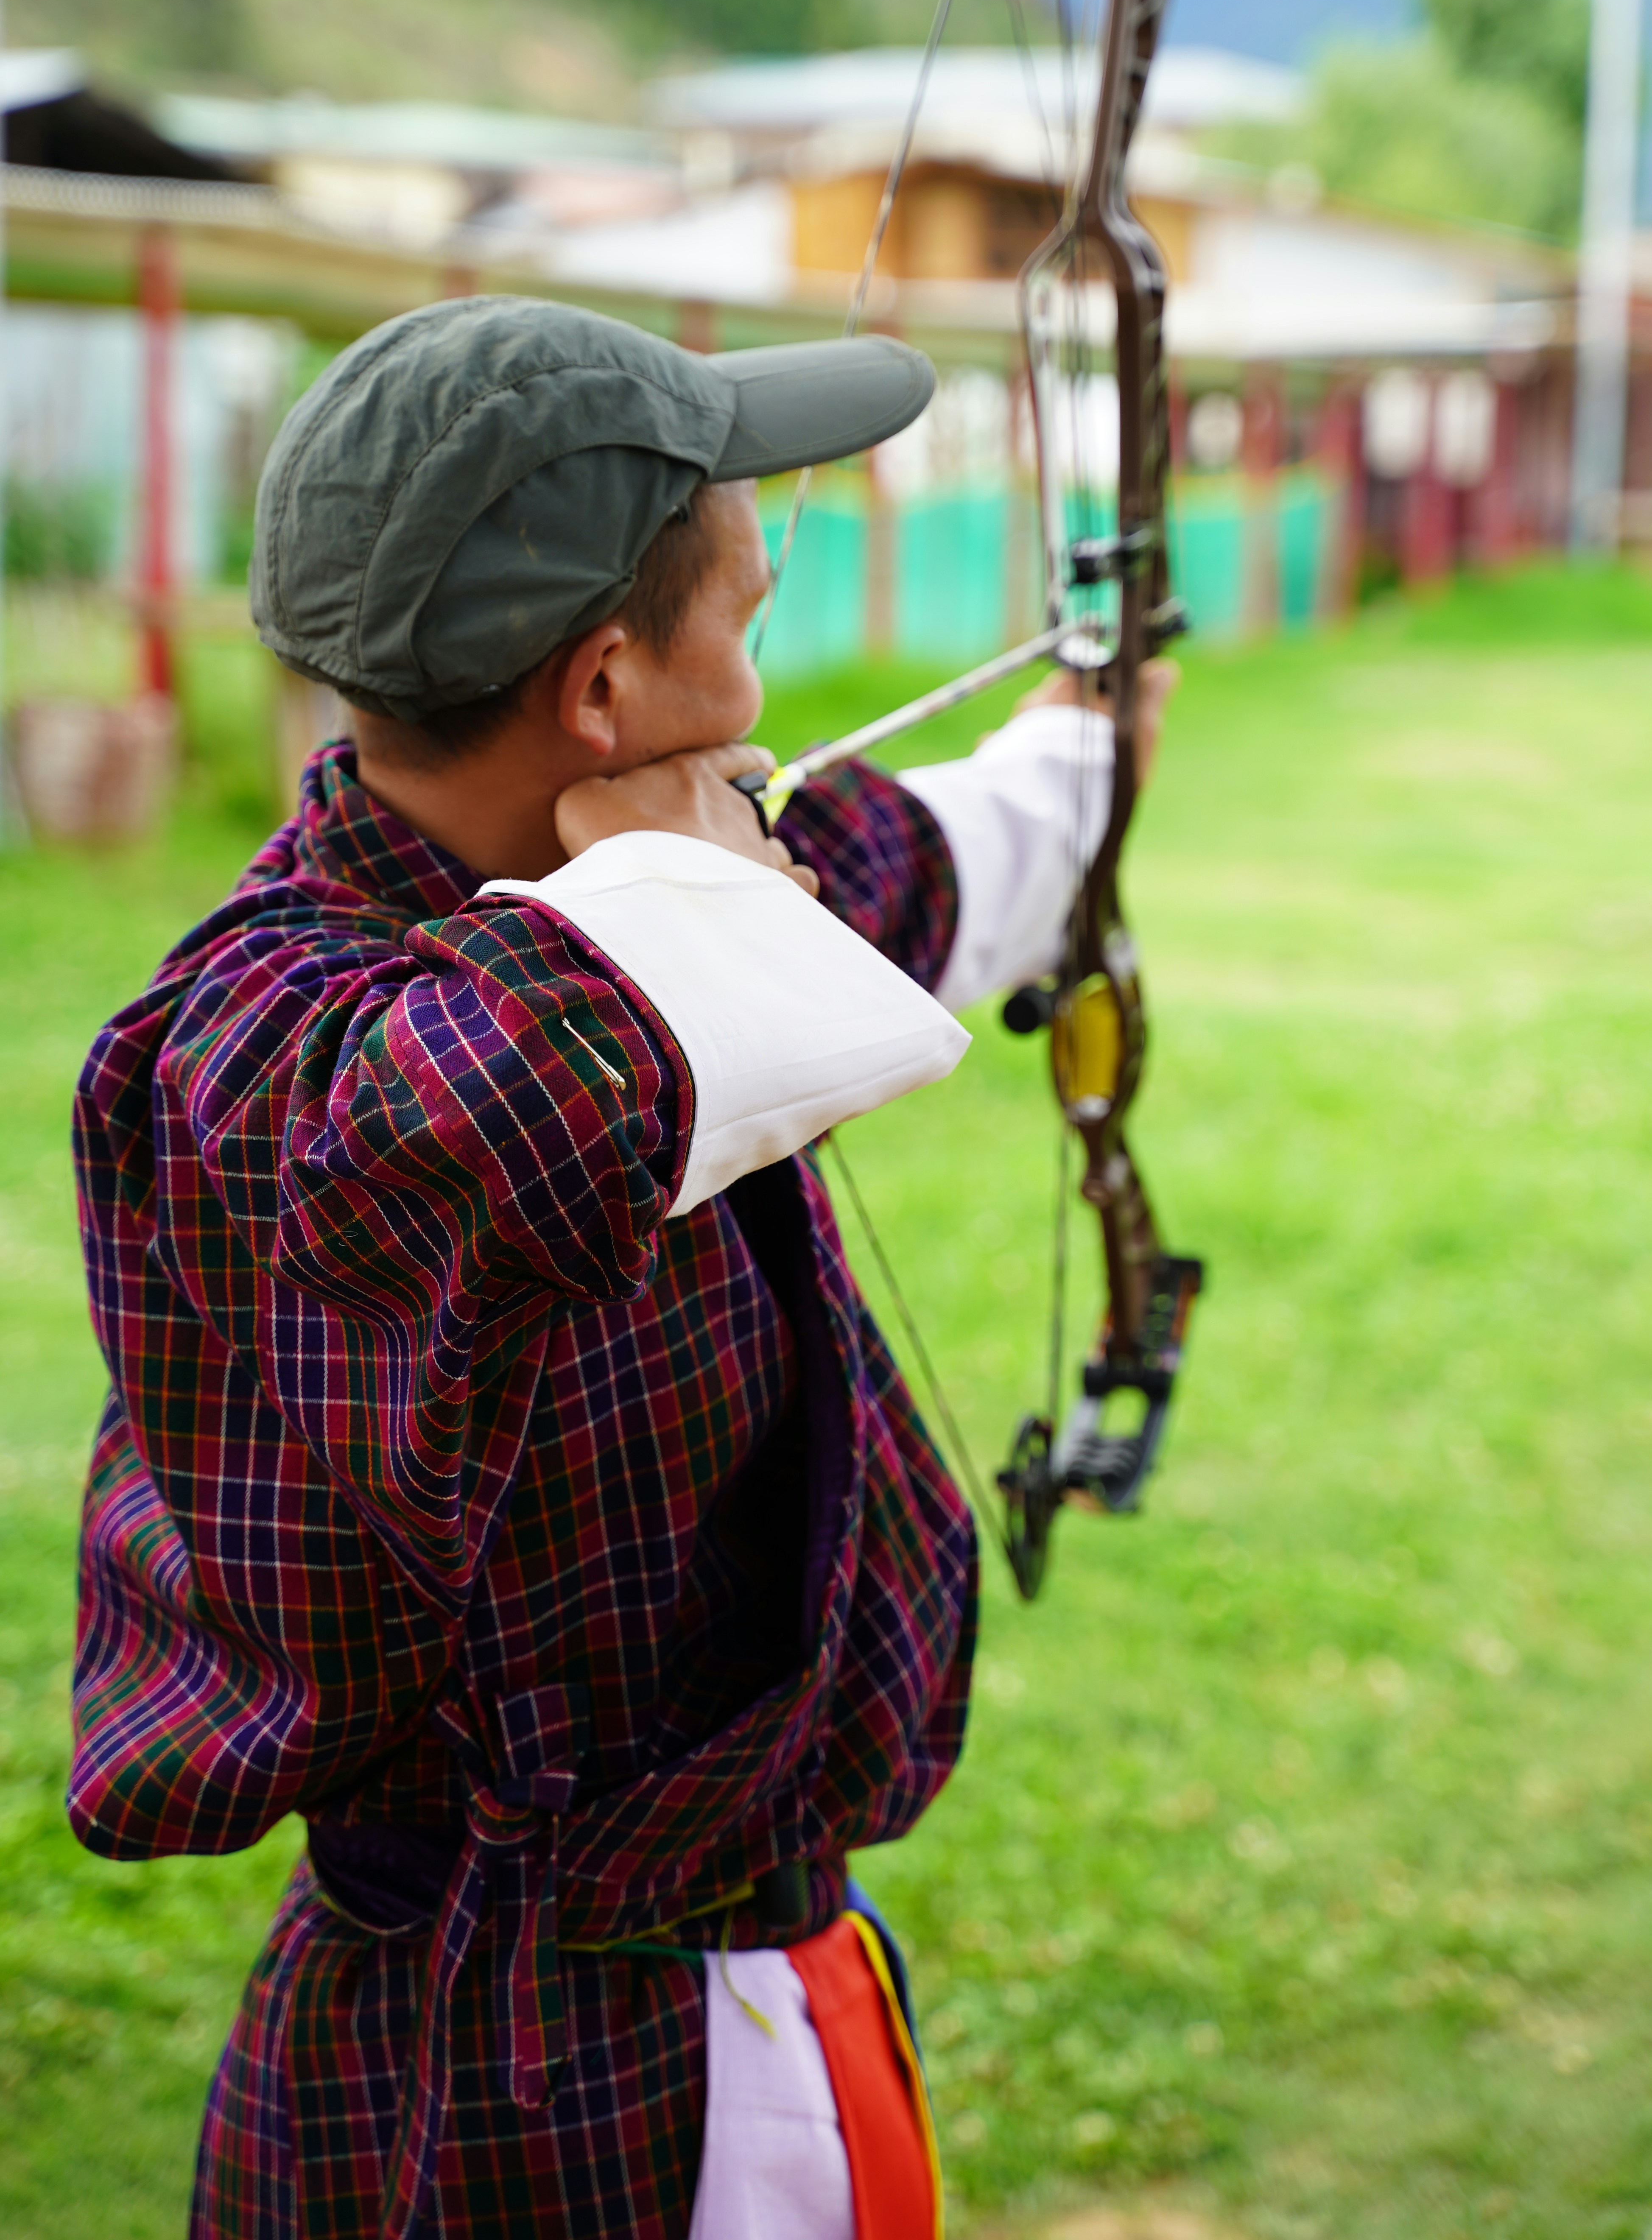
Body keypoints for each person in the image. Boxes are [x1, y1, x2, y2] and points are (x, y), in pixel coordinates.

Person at [67, 298, 1161, 2240]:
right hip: (503, 2092)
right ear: (599, 694)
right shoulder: (263, 1055)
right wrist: (677, 896)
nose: (761, 686)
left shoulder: (646, 914)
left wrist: (1075, 756)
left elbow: (873, 893)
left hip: (745, 1995)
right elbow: (489, 1110)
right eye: (743, 619)